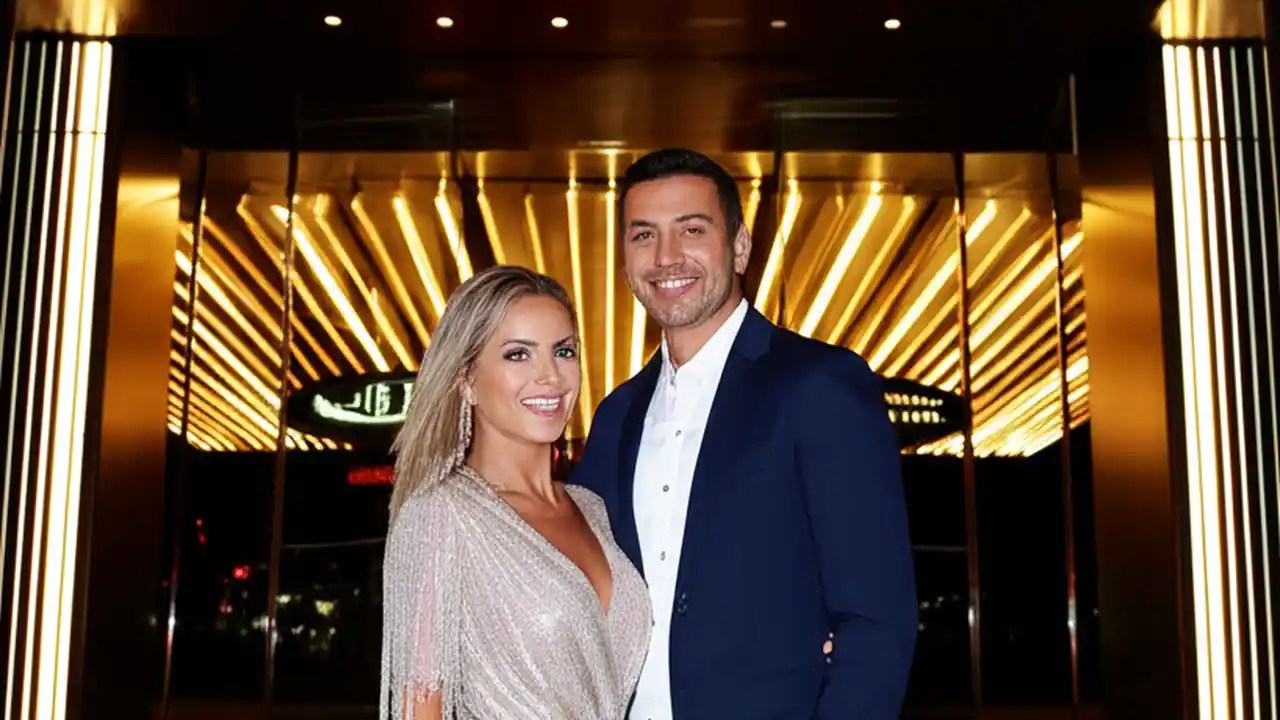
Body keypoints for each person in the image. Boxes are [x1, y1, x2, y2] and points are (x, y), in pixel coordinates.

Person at [573, 149, 917, 719]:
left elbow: (876, 621)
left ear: (739, 246)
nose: (666, 256)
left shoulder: (819, 387)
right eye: (644, 235)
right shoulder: (615, 418)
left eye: (691, 230)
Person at [379, 266, 652, 720]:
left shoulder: (593, 509)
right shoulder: (440, 516)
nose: (550, 376)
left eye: (563, 351)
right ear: (466, 380)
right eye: (518, 355)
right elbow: (420, 710)